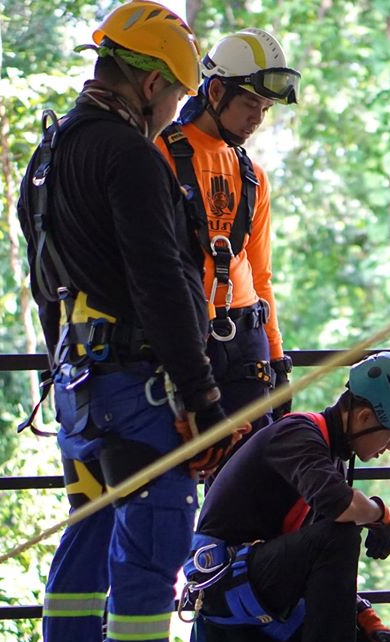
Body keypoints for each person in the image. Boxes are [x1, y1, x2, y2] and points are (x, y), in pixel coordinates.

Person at [16, 3, 248, 642]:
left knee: (83, 555)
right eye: (176, 95)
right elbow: (160, 286)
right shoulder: (129, 157)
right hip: (136, 396)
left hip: (79, 395)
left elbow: (42, 279)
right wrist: (205, 400)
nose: (173, 109)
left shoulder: (49, 156)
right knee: (147, 566)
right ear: (151, 86)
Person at [183, 351, 390, 642]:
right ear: (363, 417)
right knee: (342, 531)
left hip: (261, 580)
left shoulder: (331, 456)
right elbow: (339, 512)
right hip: (225, 580)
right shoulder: (299, 433)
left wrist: (365, 618)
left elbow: (318, 565)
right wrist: (379, 515)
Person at [156, 28, 300, 444]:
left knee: (248, 484)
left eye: (266, 108)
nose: (257, 117)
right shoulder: (160, 155)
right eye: (250, 103)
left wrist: (276, 358)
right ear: (216, 91)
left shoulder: (252, 175)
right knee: (181, 468)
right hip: (185, 339)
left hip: (245, 342)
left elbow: (260, 276)